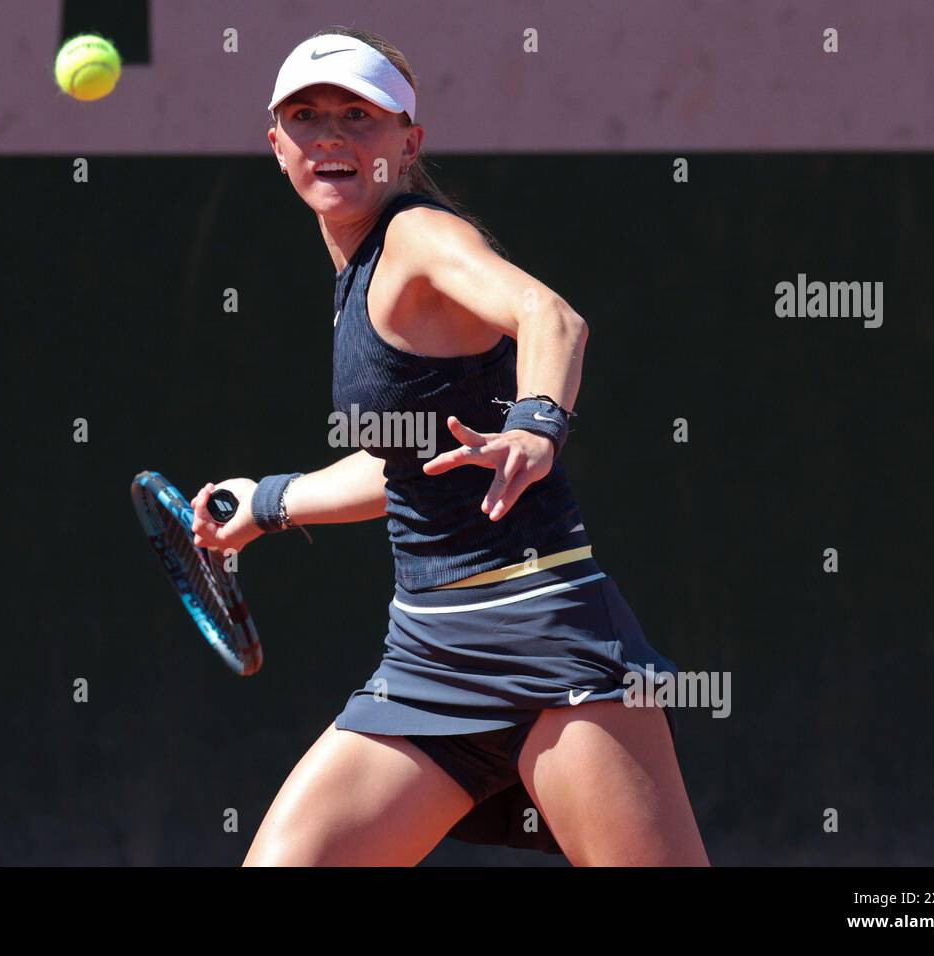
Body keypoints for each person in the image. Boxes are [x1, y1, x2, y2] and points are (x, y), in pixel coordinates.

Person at [191, 26, 709, 866]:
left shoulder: (419, 239)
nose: (331, 135)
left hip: (547, 640)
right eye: (307, 116)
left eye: (359, 117)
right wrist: (268, 501)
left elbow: (550, 317)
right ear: (276, 141)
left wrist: (537, 424)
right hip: (428, 660)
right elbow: (402, 462)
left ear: (408, 141)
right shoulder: (356, 272)